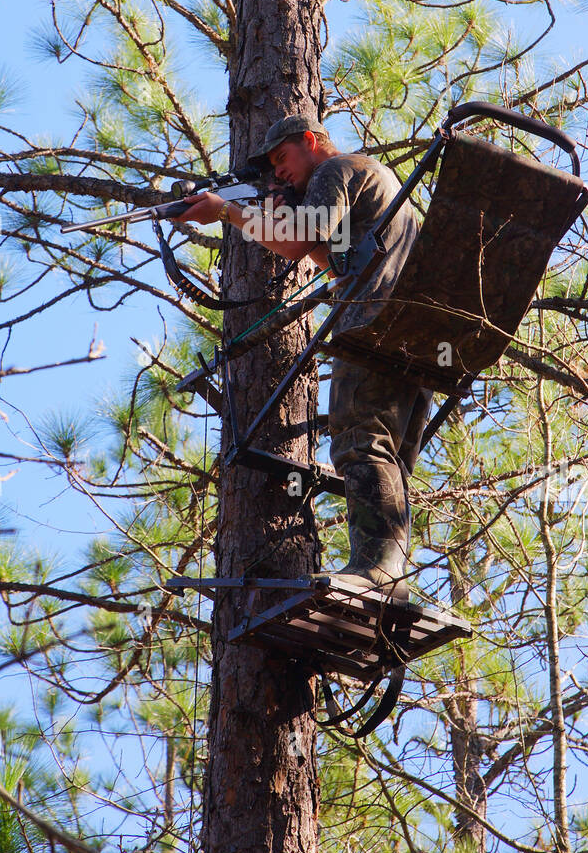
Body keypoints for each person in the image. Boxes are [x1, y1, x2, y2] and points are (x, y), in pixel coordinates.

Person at [174, 113, 431, 601]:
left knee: (359, 441)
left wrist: (226, 212)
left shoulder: (339, 169)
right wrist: (274, 209)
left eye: (282, 159)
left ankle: (376, 573)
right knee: (388, 454)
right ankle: (388, 574)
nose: (279, 173)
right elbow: (325, 254)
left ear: (311, 141)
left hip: (373, 322)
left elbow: (294, 241)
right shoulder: (370, 180)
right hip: (416, 329)